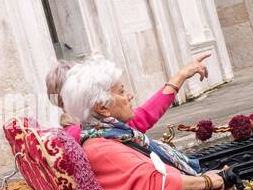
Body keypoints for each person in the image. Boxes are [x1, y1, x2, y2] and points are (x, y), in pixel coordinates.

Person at [61, 55, 234, 190]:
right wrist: (208, 182)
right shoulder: (100, 148)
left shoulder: (113, 133)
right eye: (121, 92)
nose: (130, 95)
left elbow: (143, 117)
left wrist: (212, 179)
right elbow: (155, 183)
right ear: (103, 108)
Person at [46, 53, 212, 140]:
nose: (130, 96)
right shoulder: (89, 134)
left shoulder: (96, 127)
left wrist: (180, 76)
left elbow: (141, 117)